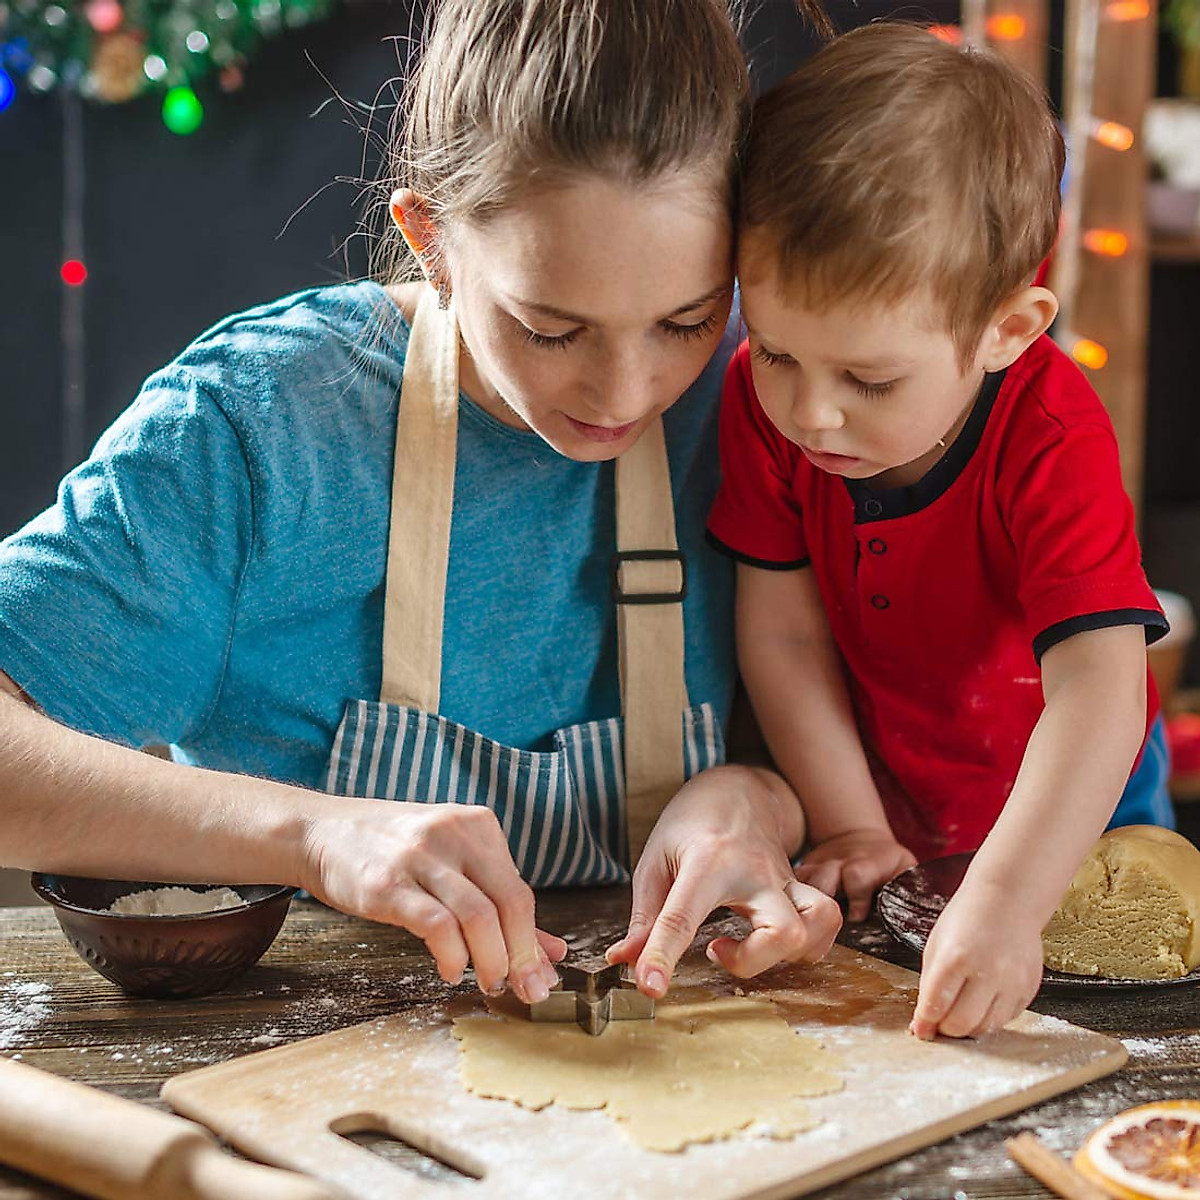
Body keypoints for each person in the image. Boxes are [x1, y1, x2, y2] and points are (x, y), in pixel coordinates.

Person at [0, 0, 841, 1009]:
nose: (625, 395)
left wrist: (753, 800)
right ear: (430, 236)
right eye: (553, 329)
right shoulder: (258, 425)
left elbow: (873, 736)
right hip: (301, 1052)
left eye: (686, 320)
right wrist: (314, 833)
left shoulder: (775, 400)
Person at [707, 23, 1171, 1040]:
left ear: (1009, 330)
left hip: (1075, 816)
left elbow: (1099, 689)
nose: (811, 414)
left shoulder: (1050, 433)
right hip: (890, 792)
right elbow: (782, 634)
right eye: (778, 350)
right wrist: (852, 825)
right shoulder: (758, 401)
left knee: (1105, 1045)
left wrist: (1010, 900)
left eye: (870, 380)